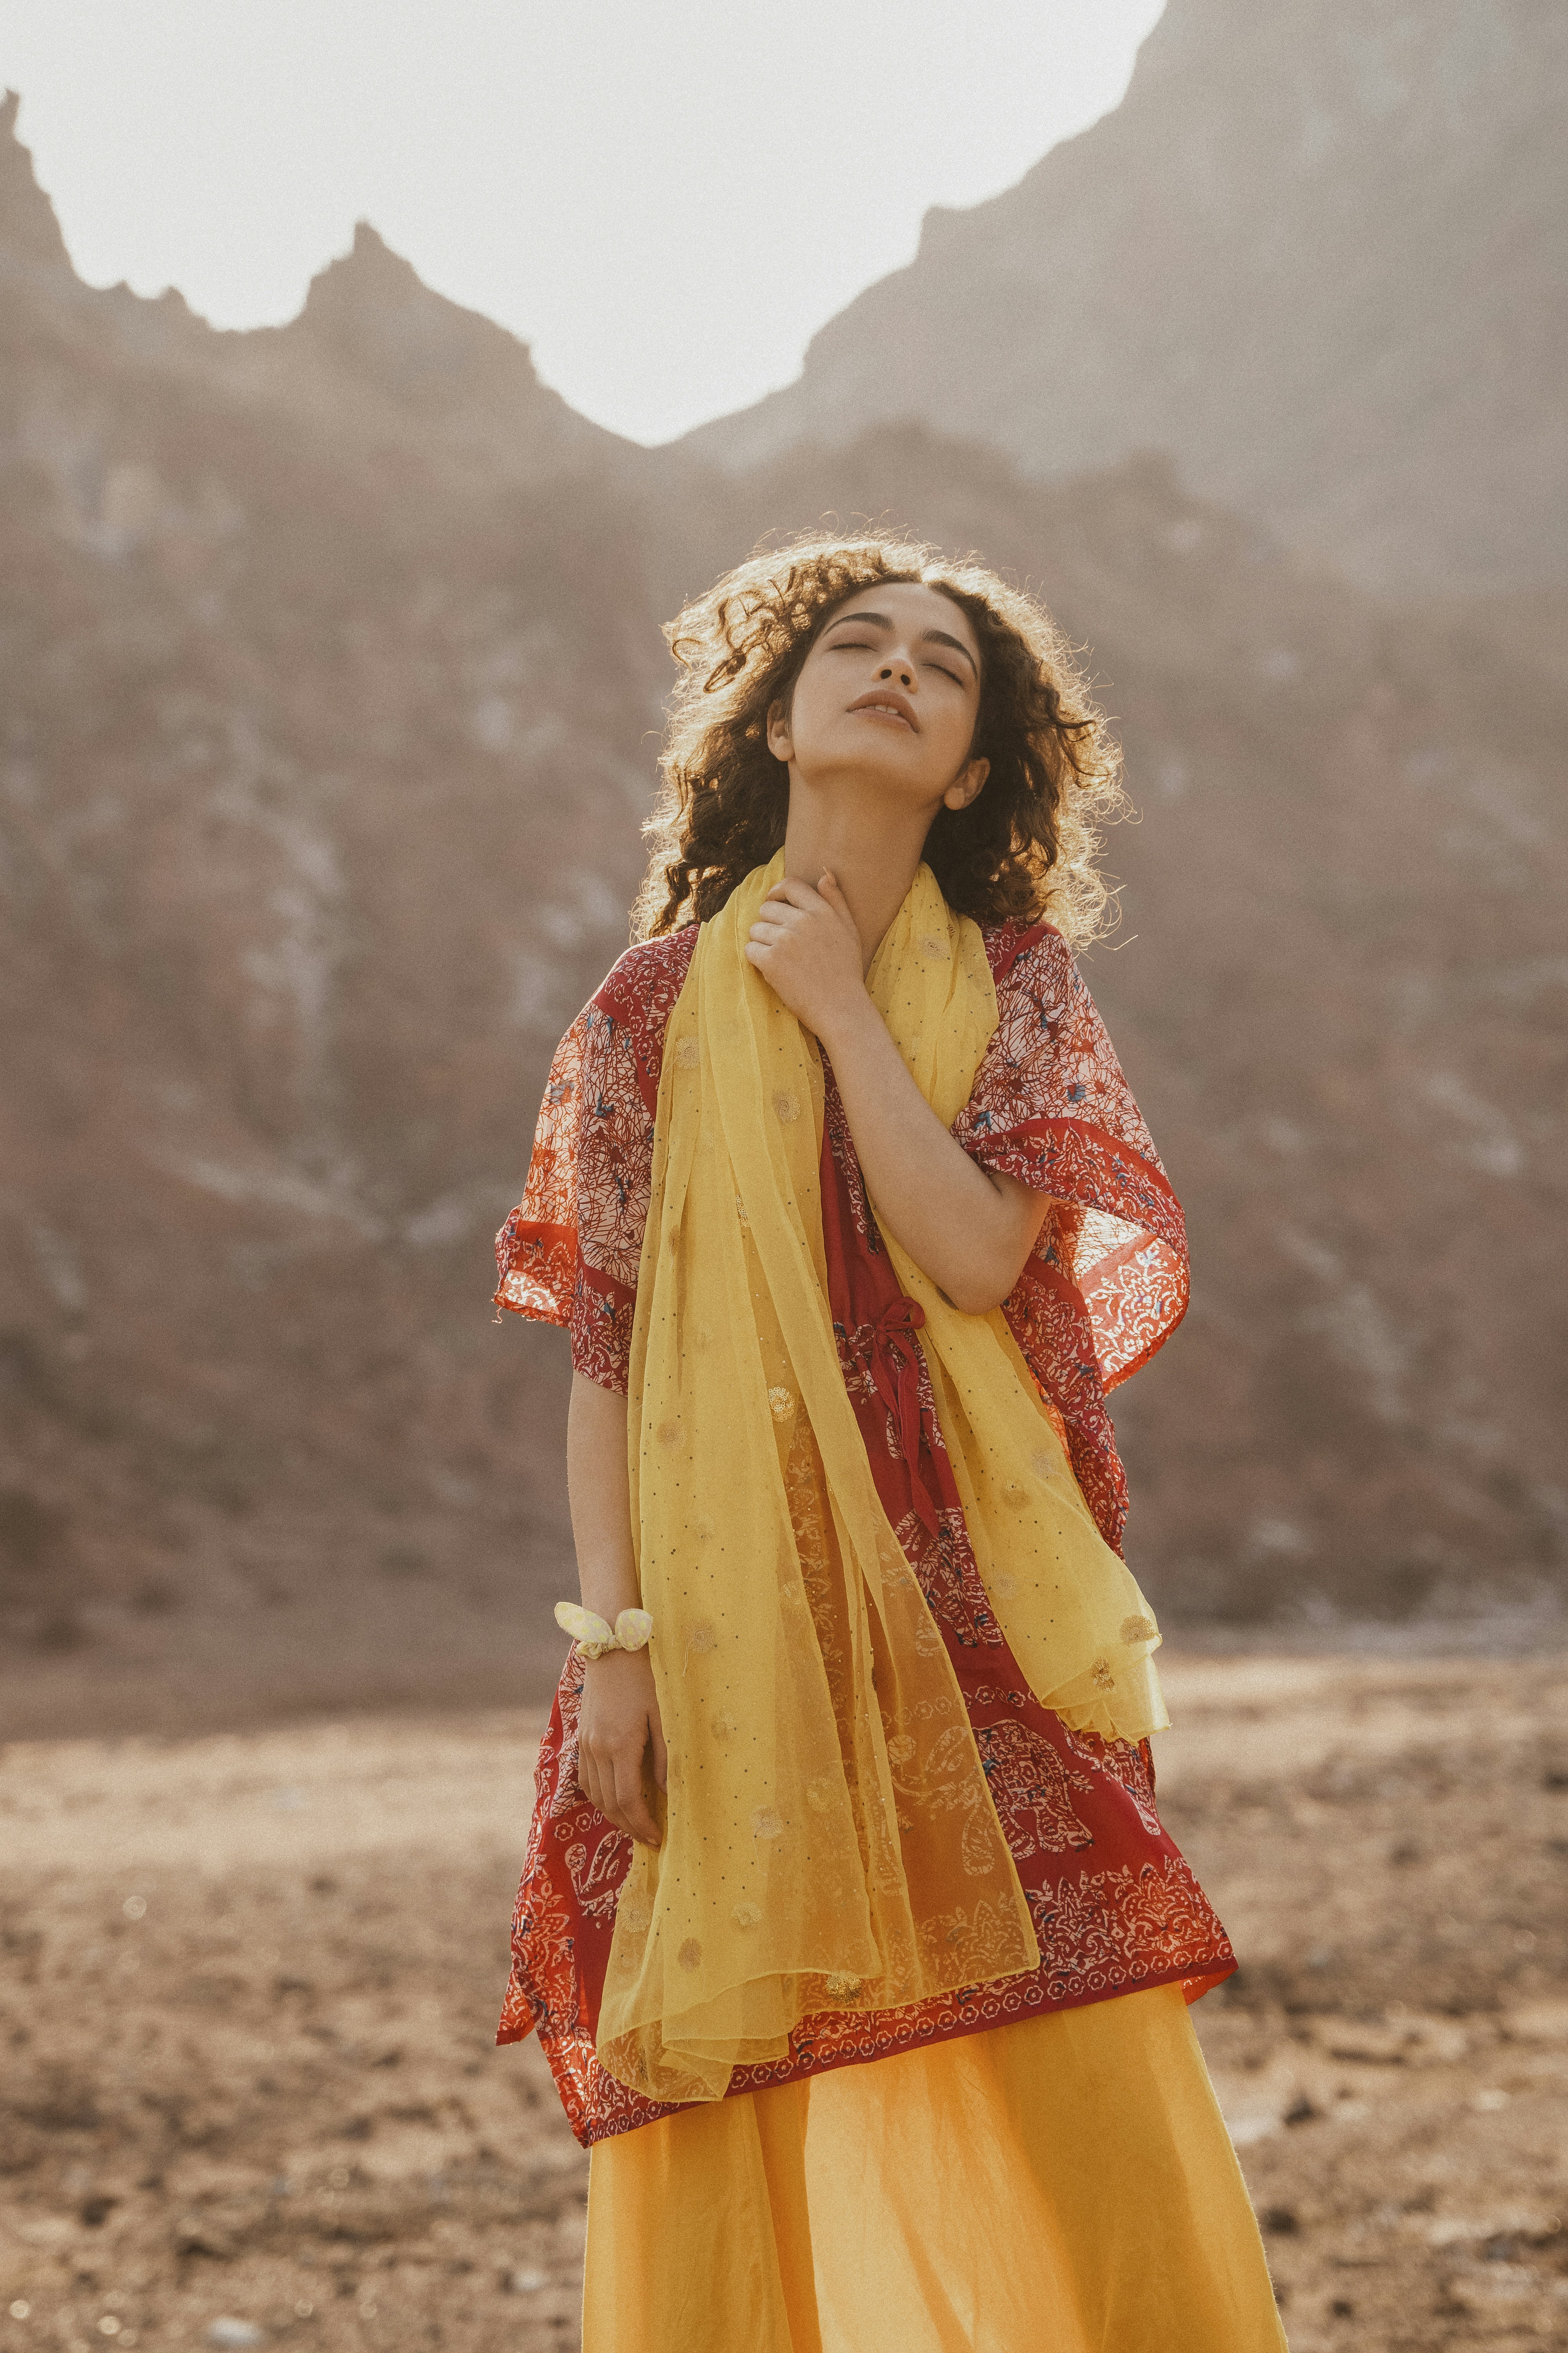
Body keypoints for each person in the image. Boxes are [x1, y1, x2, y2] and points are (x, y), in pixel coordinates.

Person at [492, 534, 1287, 2351]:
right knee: (732, 2076)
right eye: (856, 643)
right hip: (726, 1613)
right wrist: (614, 1648)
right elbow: (606, 1356)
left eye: (944, 665)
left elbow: (977, 1256)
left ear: (978, 767)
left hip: (976, 1589)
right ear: (776, 720)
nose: (898, 670)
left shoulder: (1014, 986)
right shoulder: (640, 1015)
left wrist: (843, 1011)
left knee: (1083, 2053)